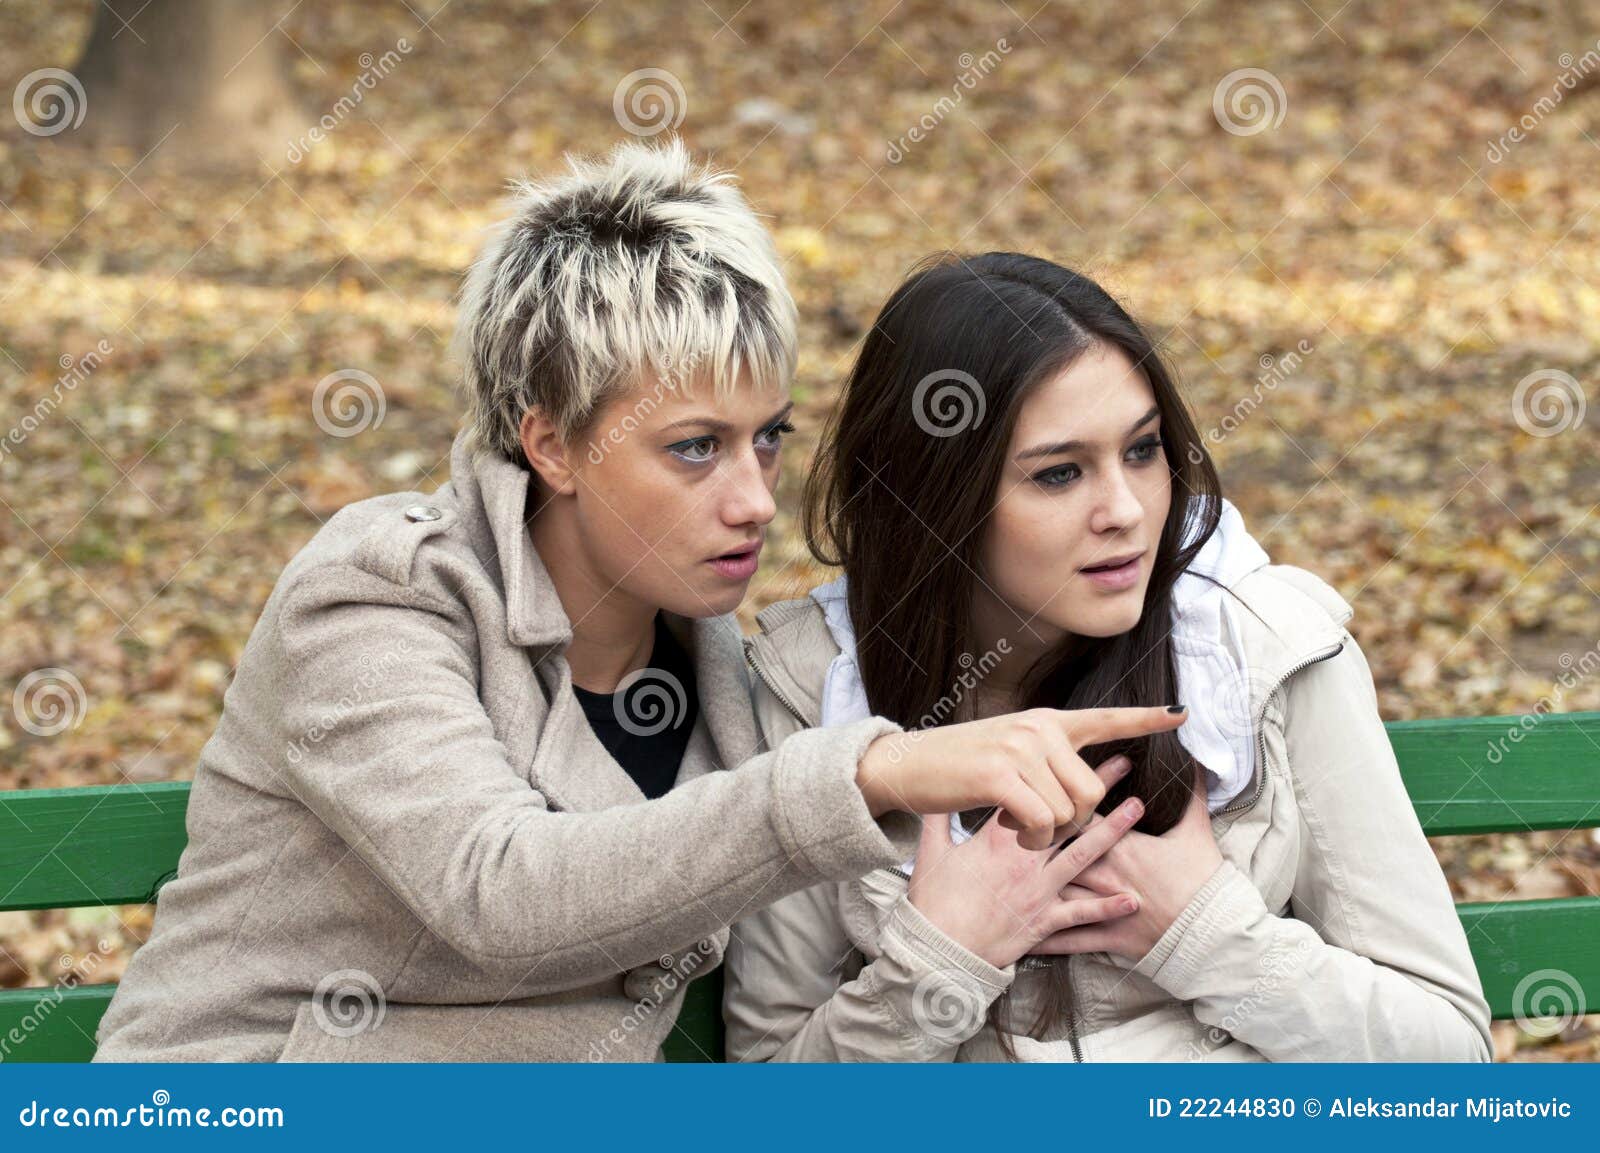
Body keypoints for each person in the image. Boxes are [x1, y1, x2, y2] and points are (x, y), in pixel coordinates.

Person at [92, 144, 1182, 1062]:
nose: (755, 499)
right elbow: (498, 893)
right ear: (553, 442)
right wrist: (872, 768)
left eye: (767, 440)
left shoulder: (728, 674)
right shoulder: (381, 594)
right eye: (695, 449)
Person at [724, 251, 1493, 1062]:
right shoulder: (820, 687)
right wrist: (937, 962)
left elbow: (1452, 1059)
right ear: (932, 498)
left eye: (1142, 450)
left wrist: (1205, 934)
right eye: (1058, 474)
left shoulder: (1261, 650)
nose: (1126, 511)